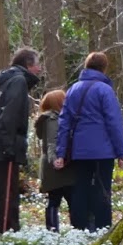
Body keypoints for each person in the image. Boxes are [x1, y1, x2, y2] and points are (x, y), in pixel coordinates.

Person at [54, 51, 123, 231]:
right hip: (103, 150)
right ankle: (102, 227)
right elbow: (114, 122)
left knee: (81, 189)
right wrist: (121, 151)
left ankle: (80, 227)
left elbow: (64, 123)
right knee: (102, 189)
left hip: (80, 150)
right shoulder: (105, 90)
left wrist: (61, 152)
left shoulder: (73, 90)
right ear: (104, 67)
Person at [0, 47, 43, 235]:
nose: (39, 69)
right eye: (37, 65)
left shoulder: (5, 80)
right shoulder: (18, 81)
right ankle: (9, 233)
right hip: (4, 148)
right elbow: (10, 116)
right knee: (7, 195)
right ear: (28, 65)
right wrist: (9, 146)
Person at [32, 89, 76, 231]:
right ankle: (65, 229)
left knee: (55, 198)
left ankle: (53, 229)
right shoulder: (52, 119)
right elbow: (52, 141)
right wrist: (56, 160)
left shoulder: (48, 118)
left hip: (51, 165)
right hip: (58, 167)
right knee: (66, 199)